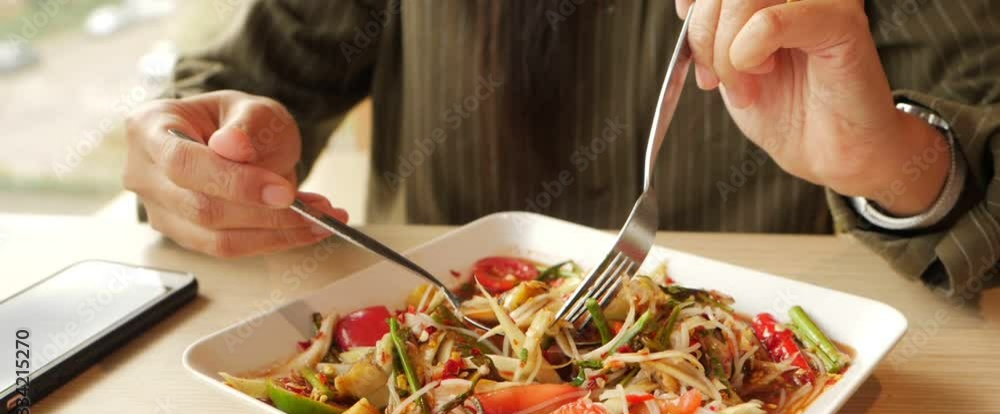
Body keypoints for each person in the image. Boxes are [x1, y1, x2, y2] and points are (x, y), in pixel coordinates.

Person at [122, 0, 1000, 300]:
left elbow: (982, 141)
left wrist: (892, 163)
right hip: (426, 336)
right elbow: (239, 77)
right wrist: (213, 151)